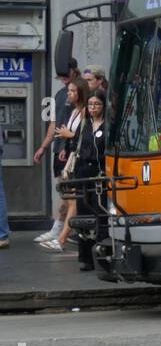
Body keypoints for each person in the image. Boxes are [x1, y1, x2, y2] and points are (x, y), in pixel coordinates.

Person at [31, 58, 79, 243]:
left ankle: (60, 232)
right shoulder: (59, 94)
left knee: (70, 195)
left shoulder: (79, 92)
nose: (63, 79)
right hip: (59, 148)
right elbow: (53, 124)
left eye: (65, 75)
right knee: (66, 194)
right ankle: (61, 230)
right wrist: (43, 147)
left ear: (74, 70)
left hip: (70, 149)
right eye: (60, 76)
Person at [40, 76, 89, 253]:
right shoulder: (74, 111)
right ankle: (60, 234)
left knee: (73, 200)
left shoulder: (84, 112)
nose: (68, 94)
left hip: (80, 160)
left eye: (72, 91)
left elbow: (85, 137)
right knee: (68, 198)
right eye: (68, 91)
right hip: (70, 157)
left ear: (80, 93)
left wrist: (70, 136)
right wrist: (65, 147)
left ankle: (61, 238)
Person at [72, 90, 109, 271]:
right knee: (83, 213)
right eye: (91, 104)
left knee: (99, 214)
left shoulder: (108, 126)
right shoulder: (85, 124)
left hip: (99, 171)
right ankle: (85, 257)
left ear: (103, 106)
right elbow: (75, 145)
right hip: (83, 172)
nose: (93, 108)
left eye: (97, 104)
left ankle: (101, 256)